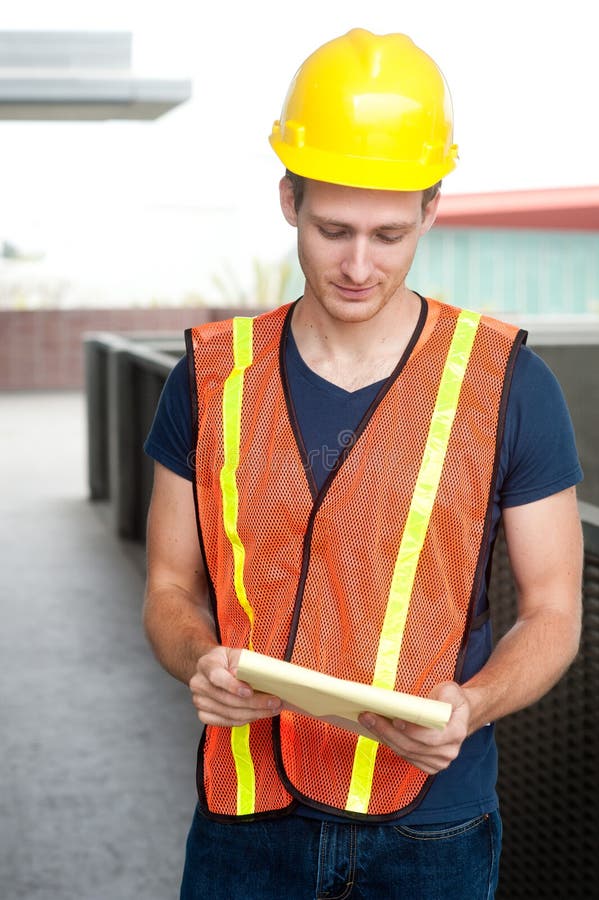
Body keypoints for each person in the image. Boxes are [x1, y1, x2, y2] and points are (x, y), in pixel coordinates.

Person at [142, 29, 583, 899]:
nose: (356, 265)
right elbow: (166, 589)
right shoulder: (210, 376)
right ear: (287, 200)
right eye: (332, 229)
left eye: (387, 234)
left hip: (433, 825)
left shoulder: (507, 383)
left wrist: (475, 704)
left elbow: (555, 609)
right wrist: (198, 658)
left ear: (430, 209)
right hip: (244, 821)